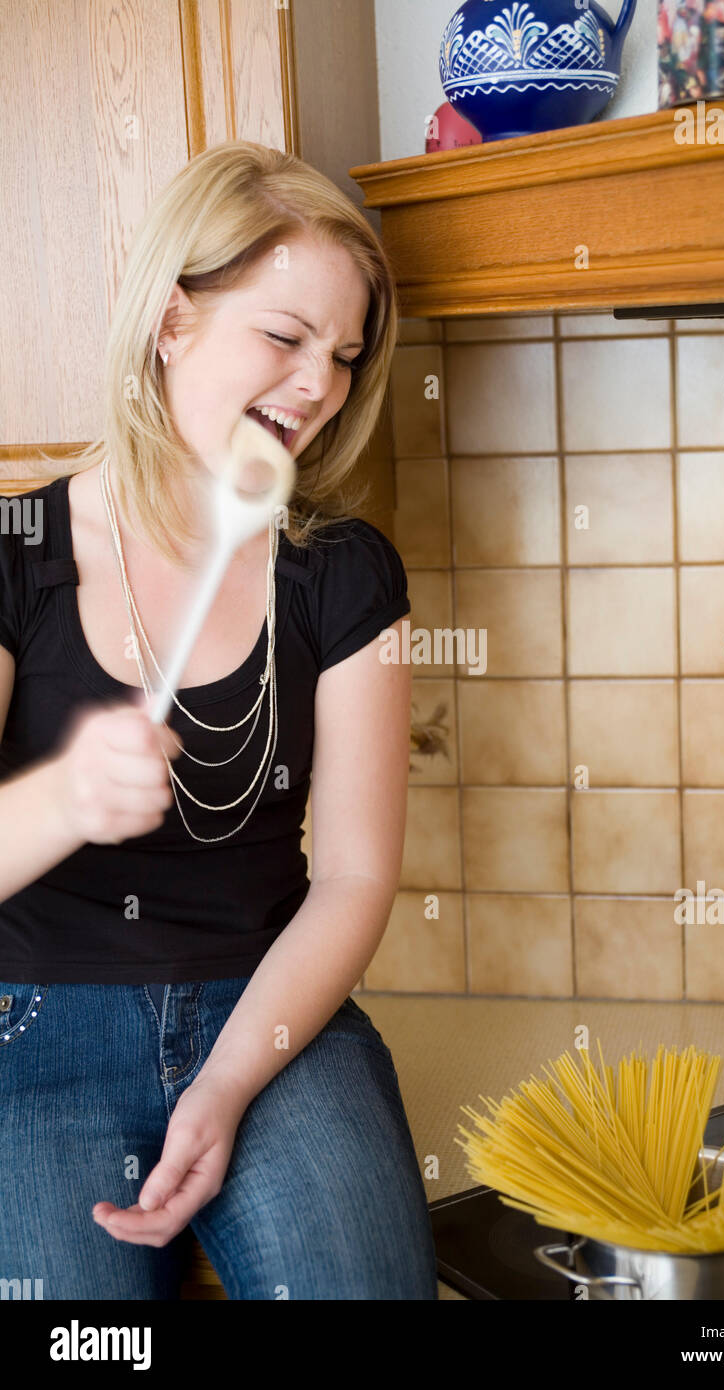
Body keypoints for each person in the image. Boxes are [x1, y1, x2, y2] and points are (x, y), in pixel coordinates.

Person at [0, 141, 438, 1300]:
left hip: (275, 1010)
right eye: (285, 337)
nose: (319, 385)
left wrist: (233, 1078)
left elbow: (350, 874)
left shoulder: (342, 573)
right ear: (172, 320)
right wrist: (59, 798)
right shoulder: (11, 560)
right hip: (32, 1031)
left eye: (345, 356)